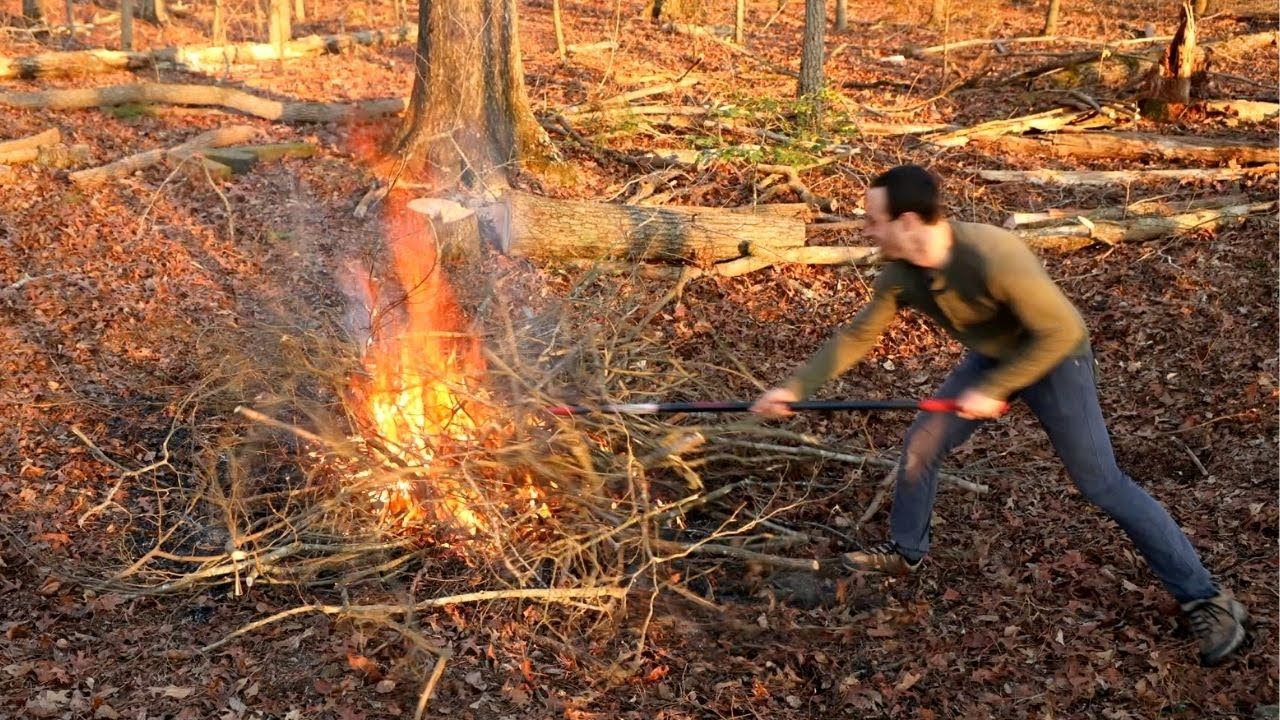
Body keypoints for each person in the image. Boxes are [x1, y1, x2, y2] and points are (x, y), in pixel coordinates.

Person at [750, 164, 1248, 666]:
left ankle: (1206, 597)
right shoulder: (901, 273)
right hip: (991, 358)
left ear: (906, 221)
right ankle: (905, 552)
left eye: (873, 220)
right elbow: (857, 336)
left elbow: (1057, 332)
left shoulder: (992, 253)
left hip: (1055, 357)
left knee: (1102, 483)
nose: (866, 229)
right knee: (922, 443)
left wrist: (996, 388)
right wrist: (794, 388)